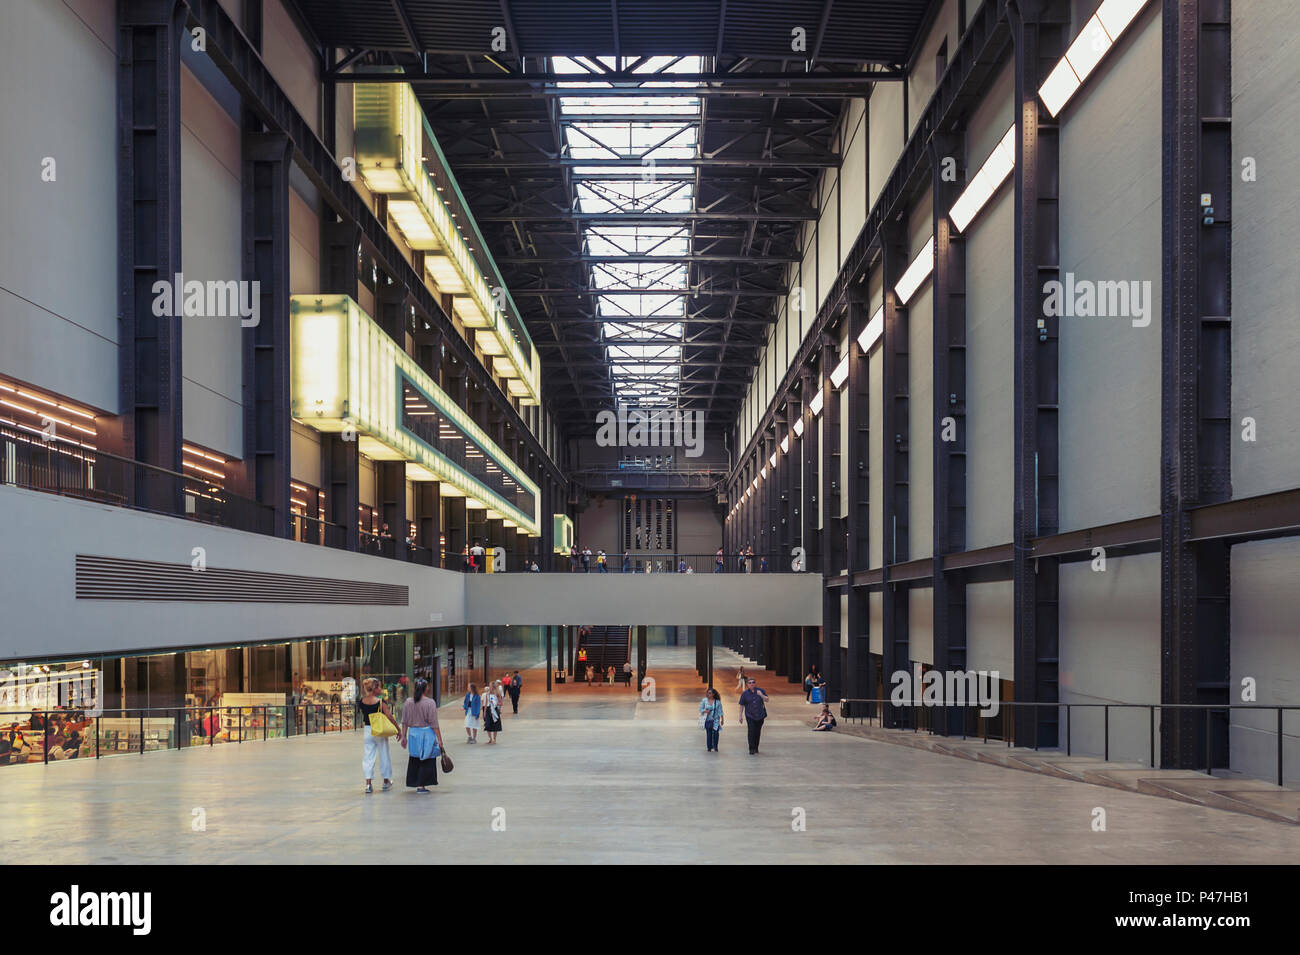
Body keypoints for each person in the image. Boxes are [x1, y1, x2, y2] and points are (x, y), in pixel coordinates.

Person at [398, 678, 445, 793]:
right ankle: (421, 785)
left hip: (413, 734)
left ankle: (415, 782)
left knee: (415, 758)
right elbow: (434, 723)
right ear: (426, 688)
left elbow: (404, 721)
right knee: (427, 758)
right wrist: (440, 739)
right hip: (426, 734)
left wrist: (404, 736)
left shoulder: (408, 702)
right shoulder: (430, 703)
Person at [357, 678, 396, 793]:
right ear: (374, 688)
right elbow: (389, 716)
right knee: (384, 754)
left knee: (368, 756)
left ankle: (368, 784)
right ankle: (385, 781)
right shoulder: (380, 702)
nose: (381, 689)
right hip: (379, 730)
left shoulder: (362, 701)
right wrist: (397, 729)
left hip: (368, 730)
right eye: (379, 687)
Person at [738, 676, 769, 755]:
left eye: (753, 682)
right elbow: (741, 705)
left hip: (760, 715)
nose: (752, 684)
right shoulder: (745, 694)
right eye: (750, 683)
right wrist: (740, 716)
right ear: (747, 684)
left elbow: (767, 700)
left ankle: (756, 747)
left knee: (757, 732)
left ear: (755, 683)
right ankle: (751, 748)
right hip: (750, 715)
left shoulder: (760, 691)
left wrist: (761, 695)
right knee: (751, 731)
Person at [699, 687, 724, 752]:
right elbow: (700, 709)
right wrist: (705, 711)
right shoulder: (704, 700)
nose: (708, 694)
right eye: (707, 693)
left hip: (716, 720)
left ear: (713, 694)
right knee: (709, 734)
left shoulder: (717, 702)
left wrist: (722, 719)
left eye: (710, 693)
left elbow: (720, 711)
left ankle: (715, 746)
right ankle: (709, 747)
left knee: (716, 733)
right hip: (707, 720)